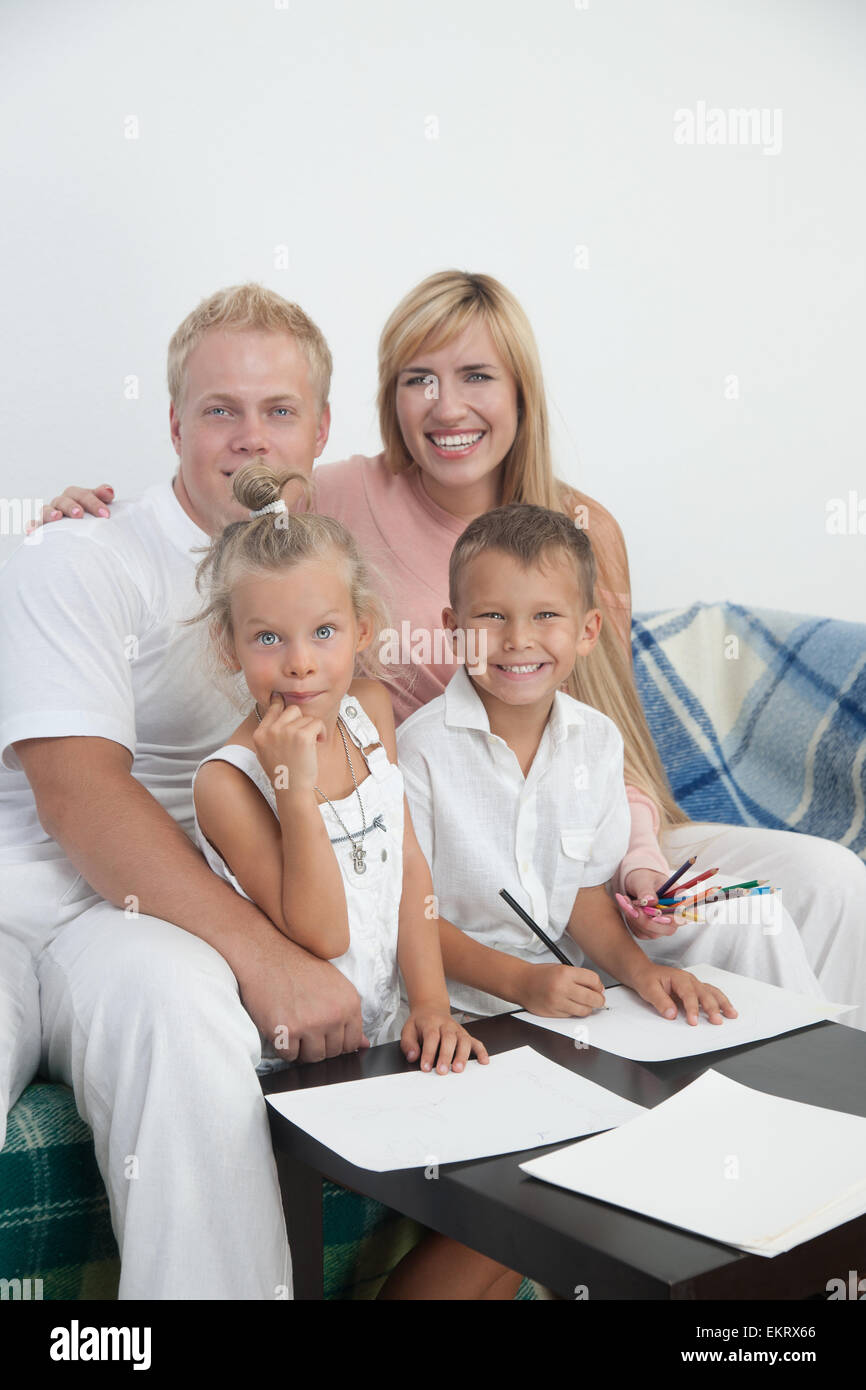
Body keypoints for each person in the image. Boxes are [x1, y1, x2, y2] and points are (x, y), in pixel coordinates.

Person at [44, 272, 866, 1022]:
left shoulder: (583, 528)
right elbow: (223, 510)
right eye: (418, 381)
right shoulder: (330, 497)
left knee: (831, 882)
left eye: (476, 377)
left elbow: (614, 736)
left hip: (592, 822)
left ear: (521, 393)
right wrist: (93, 522)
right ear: (386, 400)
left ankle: (831, 1133)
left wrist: (639, 859)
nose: (446, 407)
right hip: (448, 839)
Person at [0, 288, 363, 1299]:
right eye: (219, 410)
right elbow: (79, 797)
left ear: (320, 431)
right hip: (17, 897)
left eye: (279, 411)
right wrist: (268, 958)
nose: (249, 439)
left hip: (132, 921)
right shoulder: (79, 553)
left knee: (183, 1005)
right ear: (173, 424)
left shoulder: (305, 586)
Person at [187, 457, 523, 1299]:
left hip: (396, 1017)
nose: (300, 665)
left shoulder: (371, 712)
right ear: (229, 644)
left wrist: (436, 1006)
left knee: (531, 1200)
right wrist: (295, 786)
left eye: (324, 633)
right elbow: (324, 933)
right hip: (309, 1059)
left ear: (363, 628)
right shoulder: (227, 783)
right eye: (268, 638)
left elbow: (409, 871)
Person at [396, 501, 820, 1013]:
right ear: (453, 627)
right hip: (456, 1006)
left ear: (588, 631)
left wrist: (646, 974)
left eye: (546, 615)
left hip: (564, 997)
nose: (518, 639)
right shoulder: (417, 752)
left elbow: (581, 893)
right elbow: (404, 915)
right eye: (492, 616)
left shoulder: (596, 741)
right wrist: (521, 983)